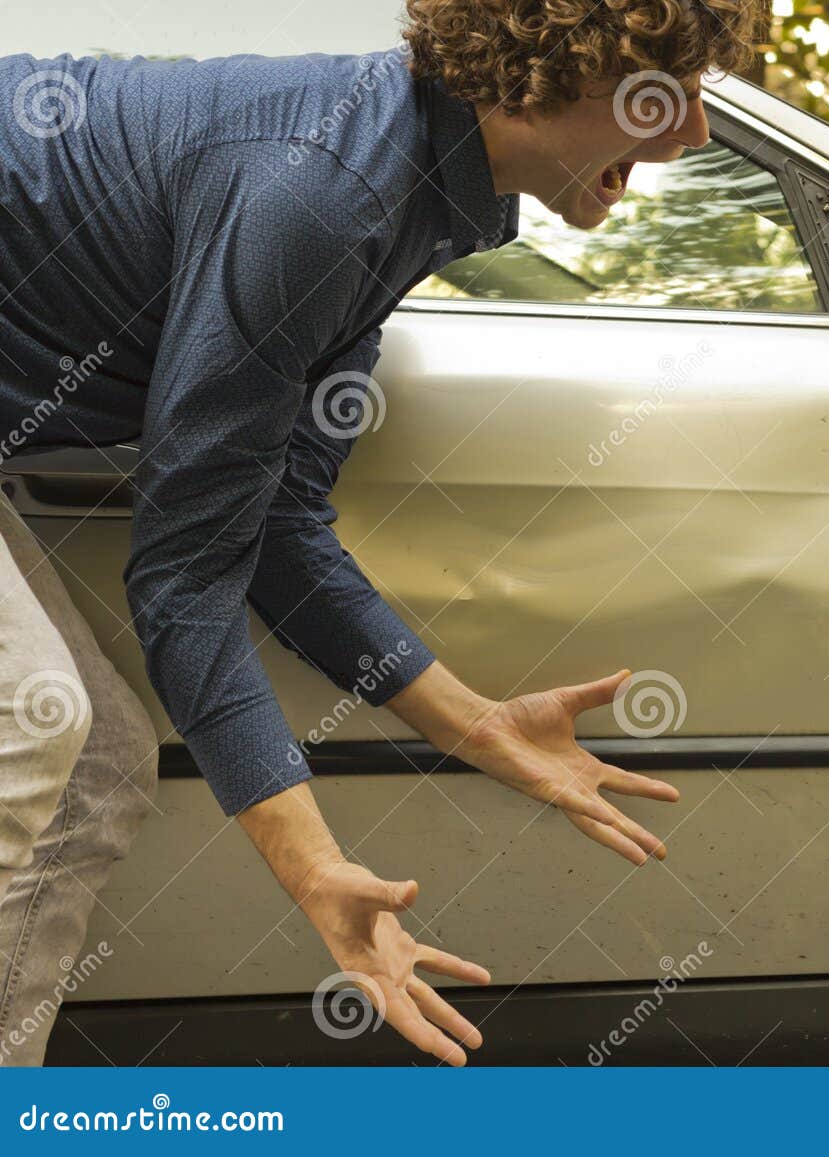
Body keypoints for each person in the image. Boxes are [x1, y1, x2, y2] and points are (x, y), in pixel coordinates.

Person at [0, 0, 767, 1066]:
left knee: (92, 773)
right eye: (665, 95)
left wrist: (473, 723)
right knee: (34, 731)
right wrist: (315, 868)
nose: (695, 131)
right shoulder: (325, 190)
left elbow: (274, 520)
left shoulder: (400, 188)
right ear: (544, 76)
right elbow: (182, 575)